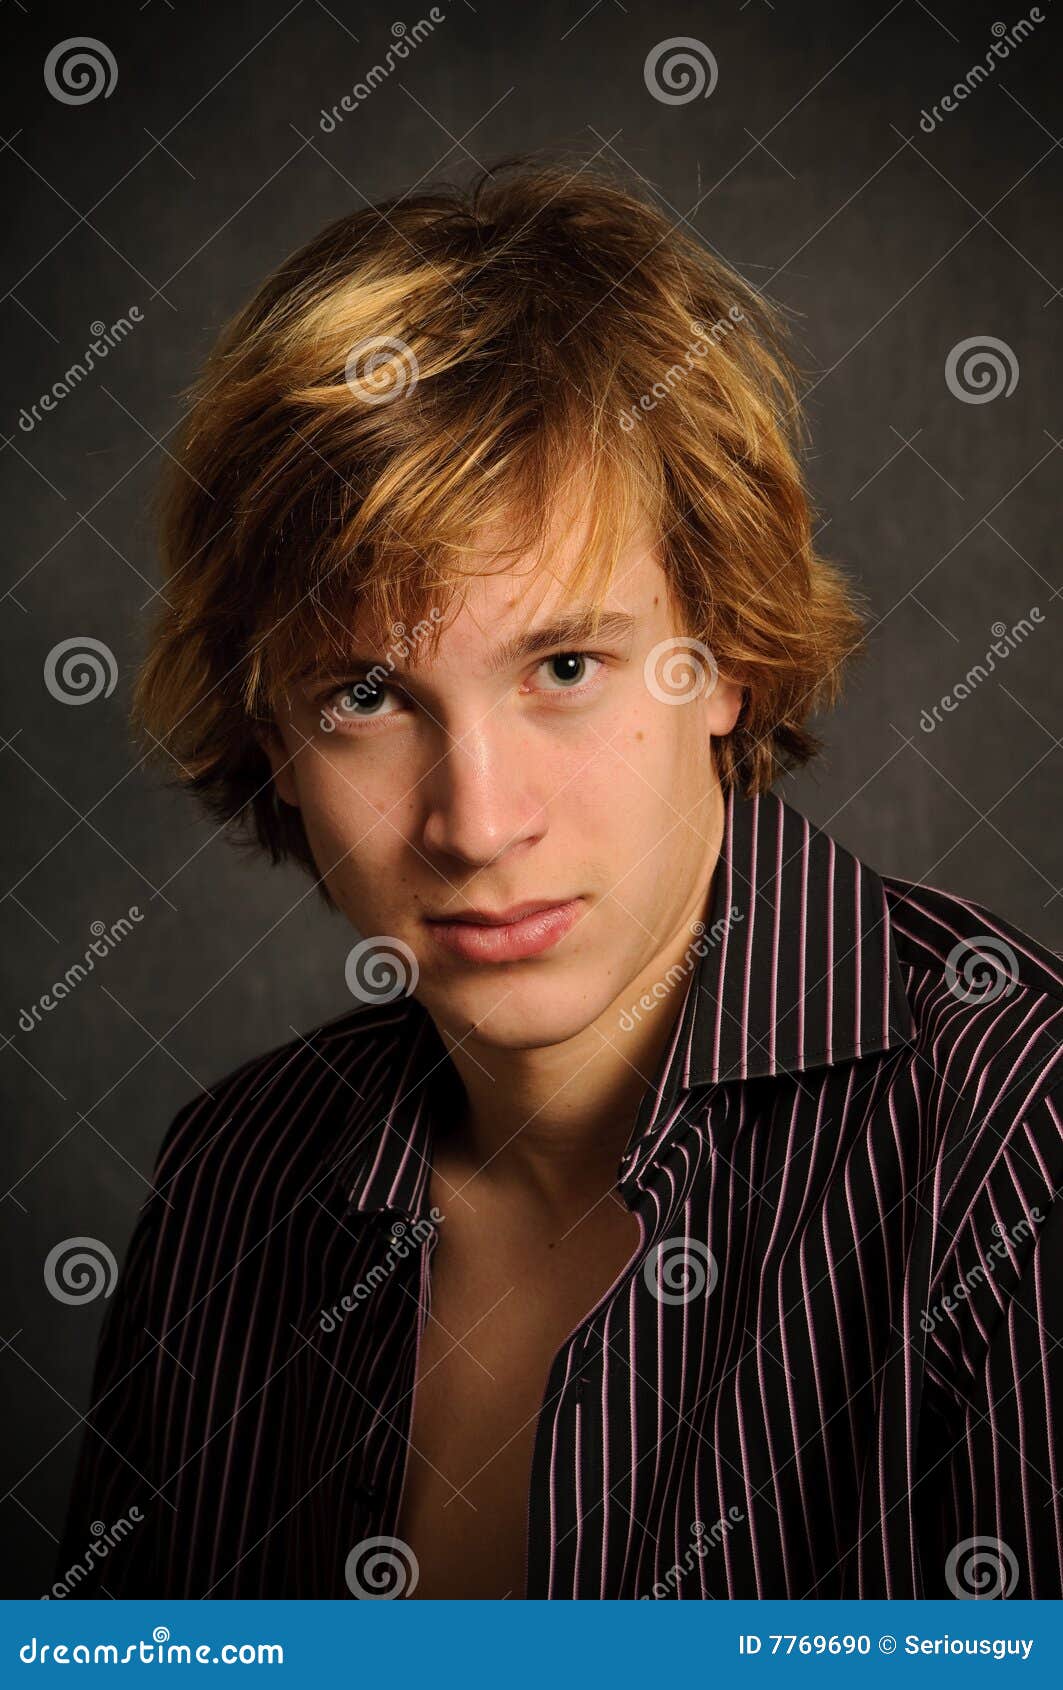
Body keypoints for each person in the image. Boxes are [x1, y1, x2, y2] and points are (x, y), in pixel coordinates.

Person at [53, 160, 1063, 1601]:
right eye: (366, 696)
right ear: (271, 736)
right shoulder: (234, 1188)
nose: (476, 819)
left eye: (566, 667)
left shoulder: (1022, 1144)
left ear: (723, 655)